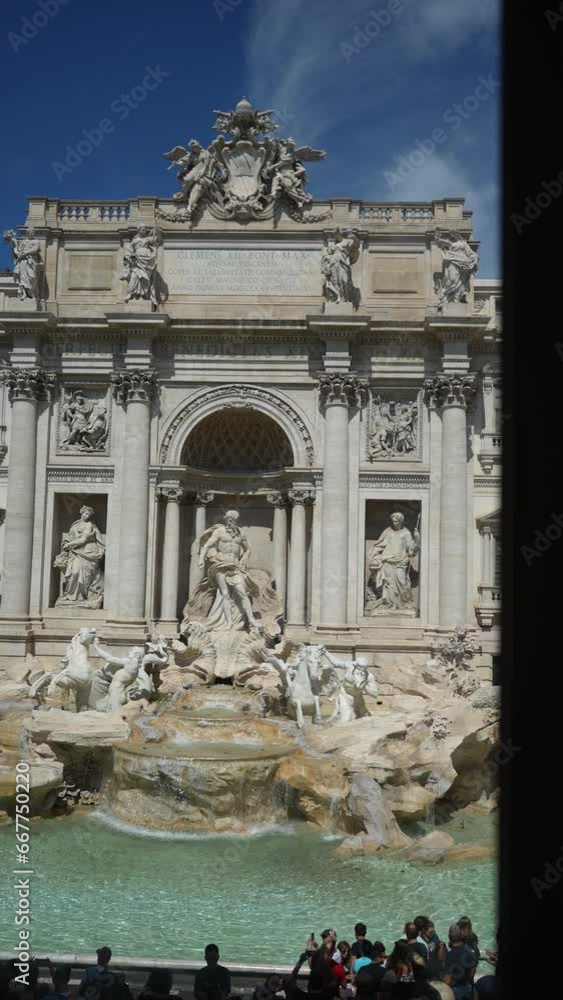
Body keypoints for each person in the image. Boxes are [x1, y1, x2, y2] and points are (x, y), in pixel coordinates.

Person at [443, 925, 476, 1000]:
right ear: (462, 936)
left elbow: (448, 980)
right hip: (467, 988)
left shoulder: (449, 955)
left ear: (449, 936)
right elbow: (473, 971)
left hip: (455, 992)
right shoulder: (470, 952)